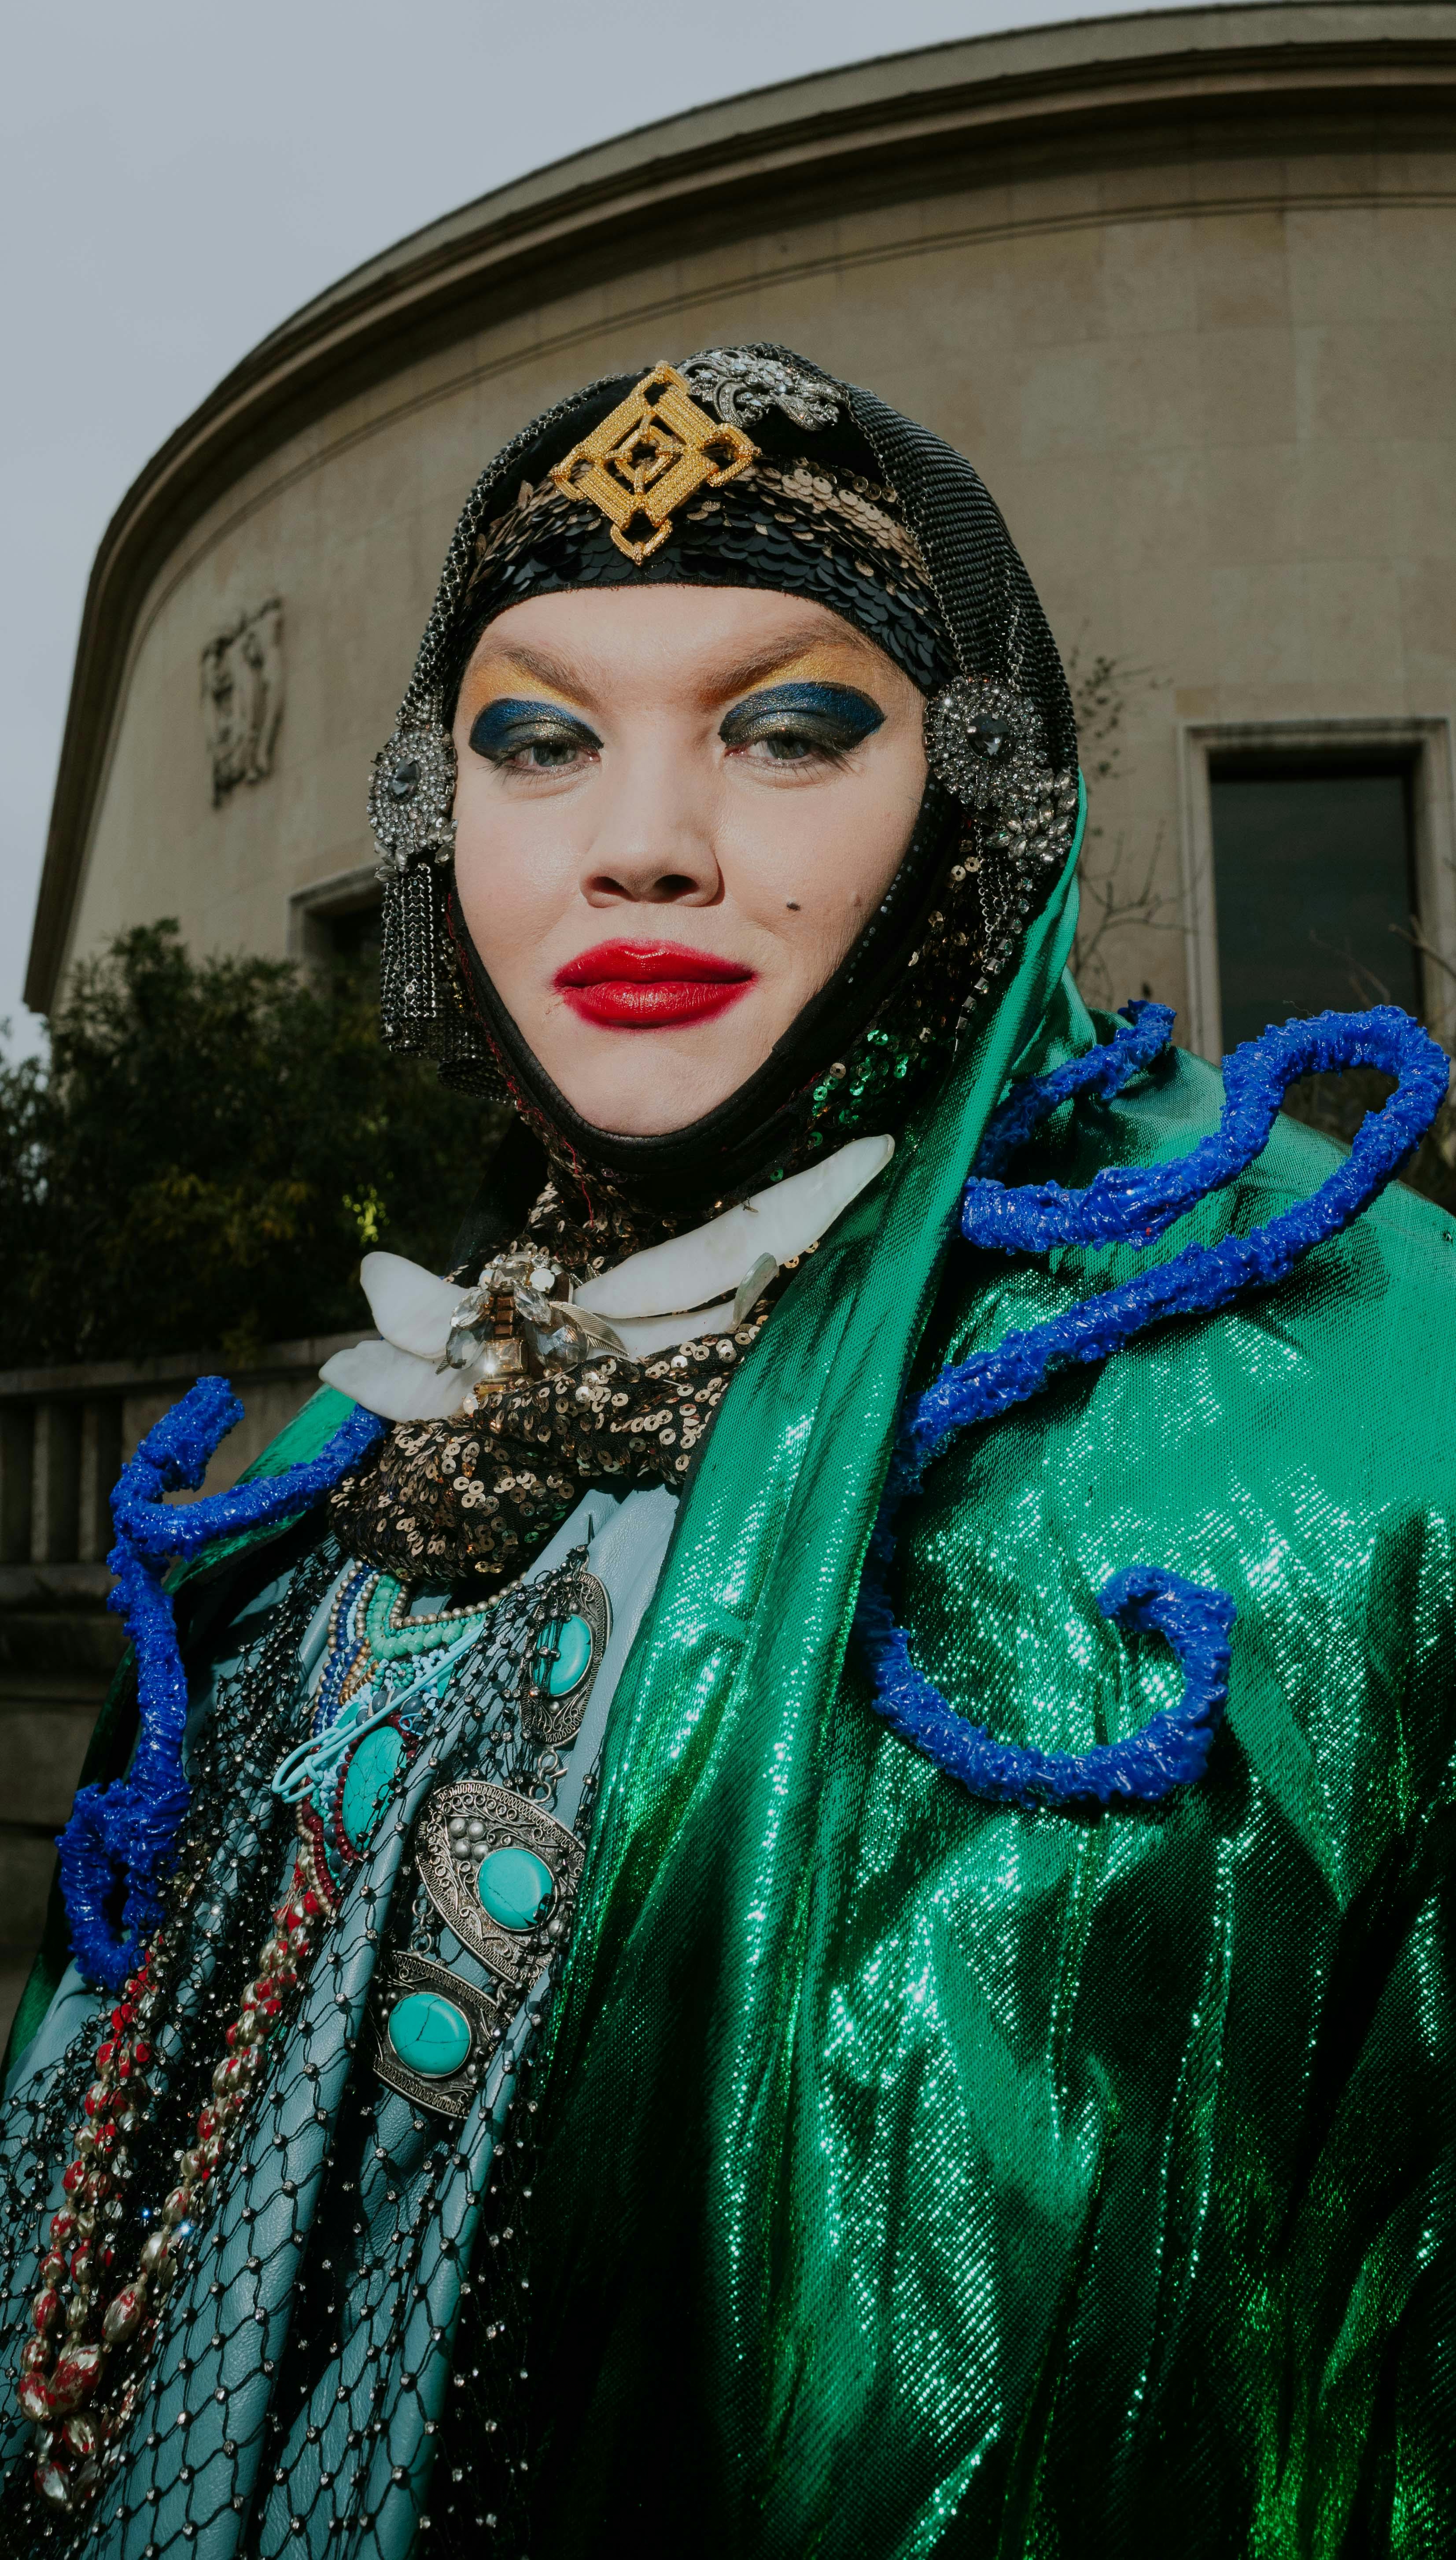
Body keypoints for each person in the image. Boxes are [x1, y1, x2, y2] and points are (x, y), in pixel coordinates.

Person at [3, 345, 1454, 2559]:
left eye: (787, 731)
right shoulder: (309, 1497)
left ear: (983, 795)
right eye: (538, 741)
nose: (644, 843)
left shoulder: (1333, 1416)